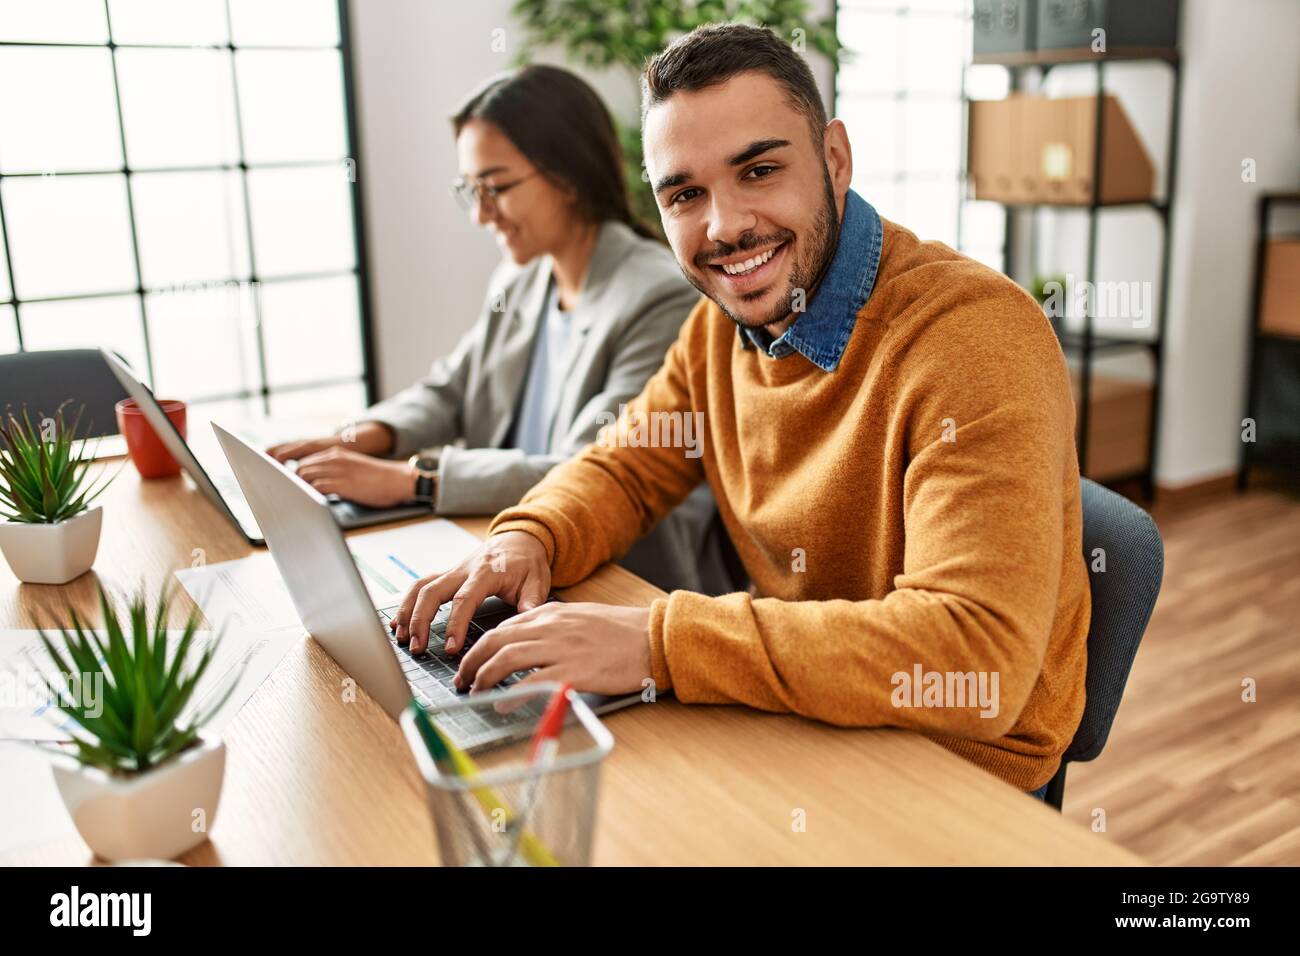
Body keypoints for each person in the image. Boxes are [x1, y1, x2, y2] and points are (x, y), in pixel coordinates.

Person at [390, 24, 1091, 797]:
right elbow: (624, 469)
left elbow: (976, 659)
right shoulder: (722, 328)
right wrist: (531, 535)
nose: (723, 226)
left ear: (833, 160)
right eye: (685, 194)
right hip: (798, 718)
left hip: (951, 770)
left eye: (758, 170)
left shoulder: (971, 337)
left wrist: (660, 643)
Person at [268, 65, 712, 592]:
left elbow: (586, 471)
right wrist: (366, 436)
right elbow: (451, 390)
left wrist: (417, 480)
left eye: (496, 187)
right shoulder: (523, 278)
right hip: (500, 539)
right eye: (470, 189)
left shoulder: (657, 295)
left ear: (567, 176)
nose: (481, 215)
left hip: (608, 577)